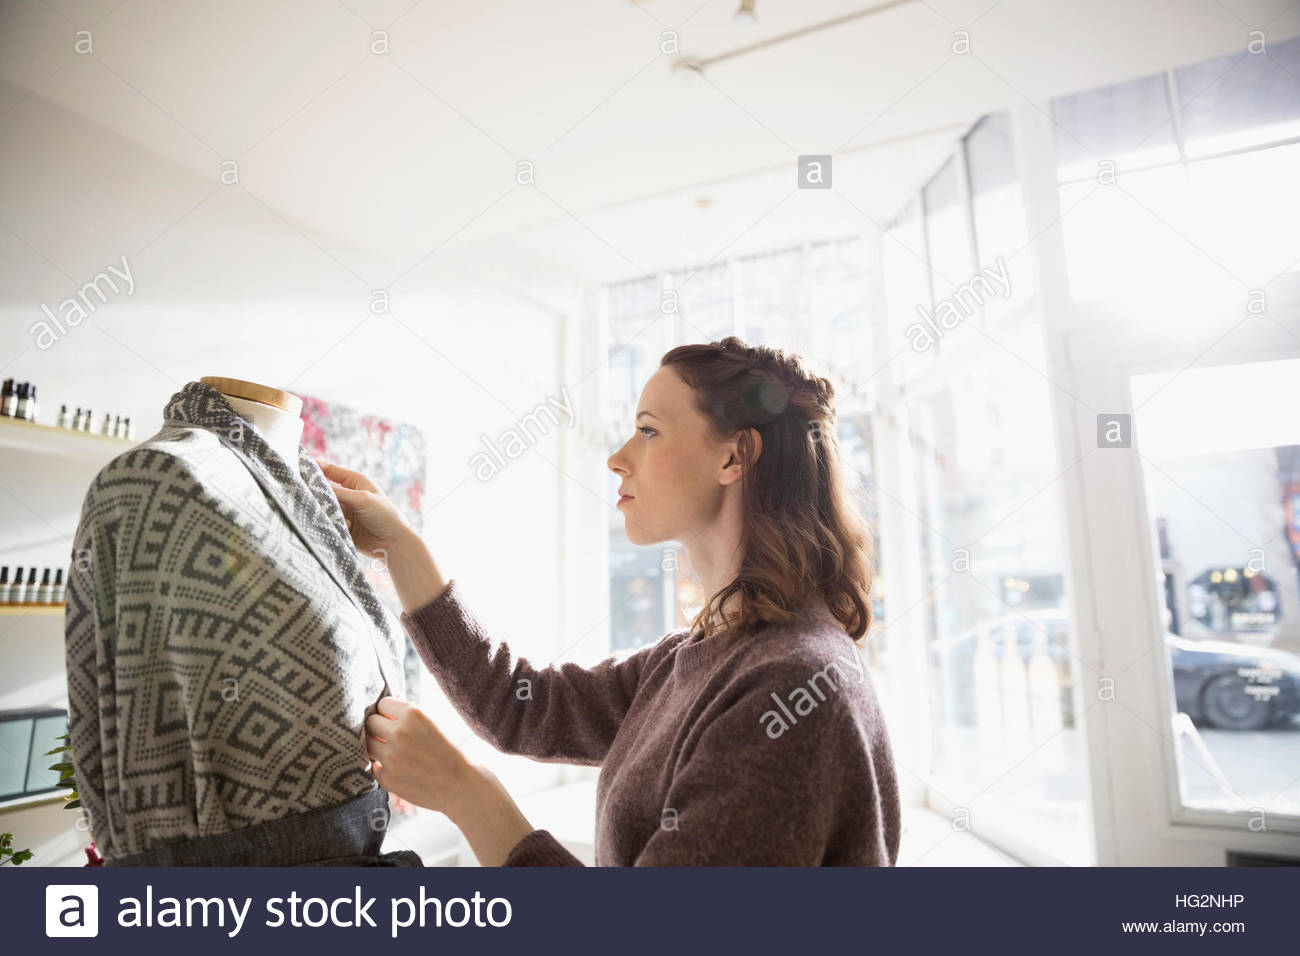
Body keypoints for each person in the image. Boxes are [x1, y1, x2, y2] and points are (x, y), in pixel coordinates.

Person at [320, 336, 901, 866]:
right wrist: (399, 545)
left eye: (648, 430)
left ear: (733, 458)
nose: (617, 457)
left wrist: (462, 791)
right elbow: (521, 704)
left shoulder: (792, 687)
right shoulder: (697, 655)